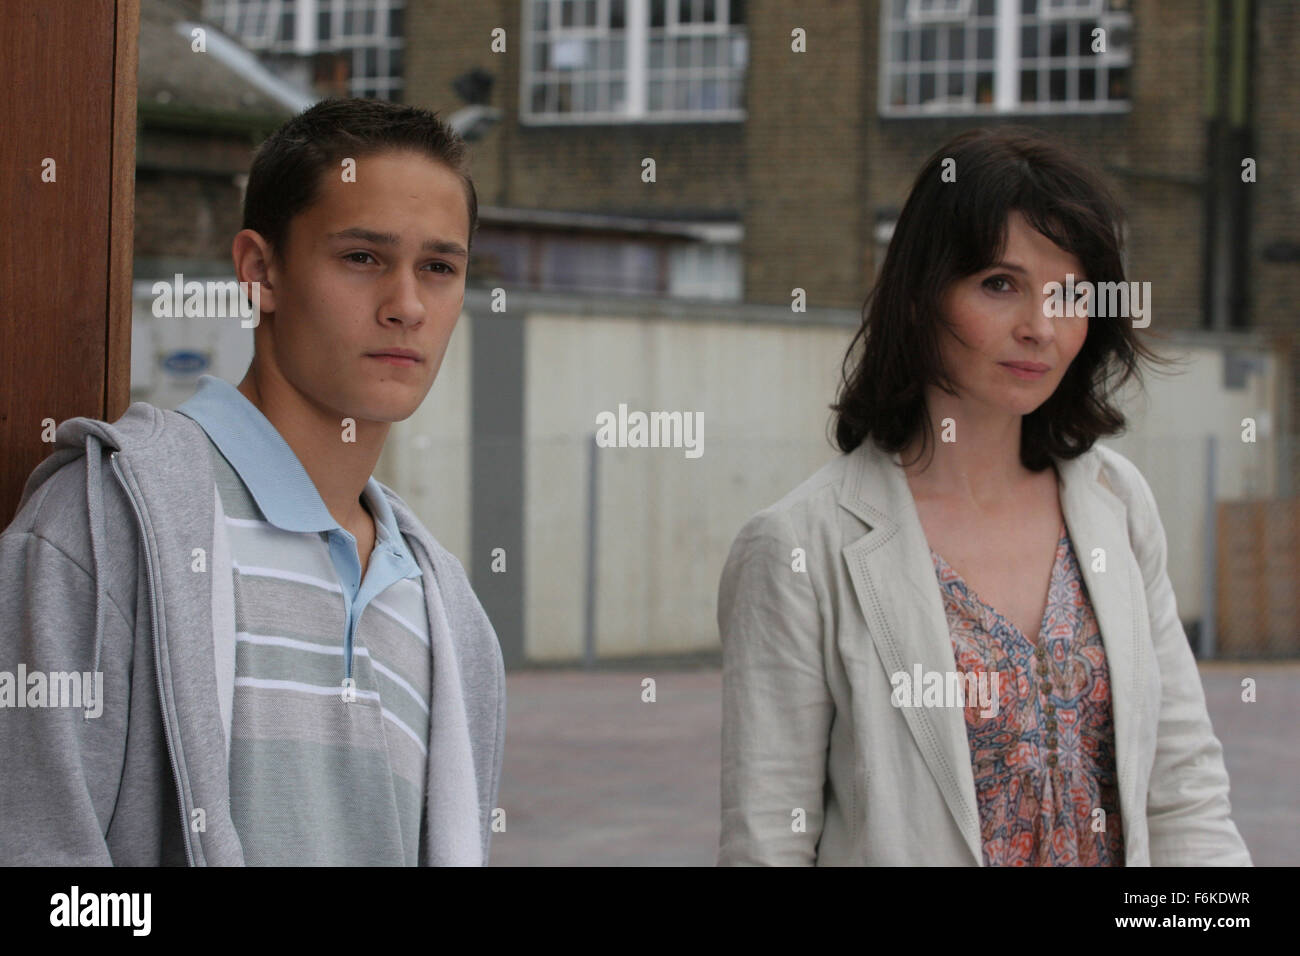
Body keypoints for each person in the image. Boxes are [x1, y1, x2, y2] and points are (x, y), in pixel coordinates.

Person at [717, 127, 1252, 867]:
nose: (1040, 327)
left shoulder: (1116, 503)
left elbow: (1184, 789)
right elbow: (768, 840)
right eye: (1000, 284)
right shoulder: (800, 547)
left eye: (1069, 294)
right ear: (917, 297)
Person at [0, 98, 505, 866]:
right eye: (362, 257)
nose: (406, 306)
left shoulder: (447, 613)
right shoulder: (104, 522)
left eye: (438, 267)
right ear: (260, 271)